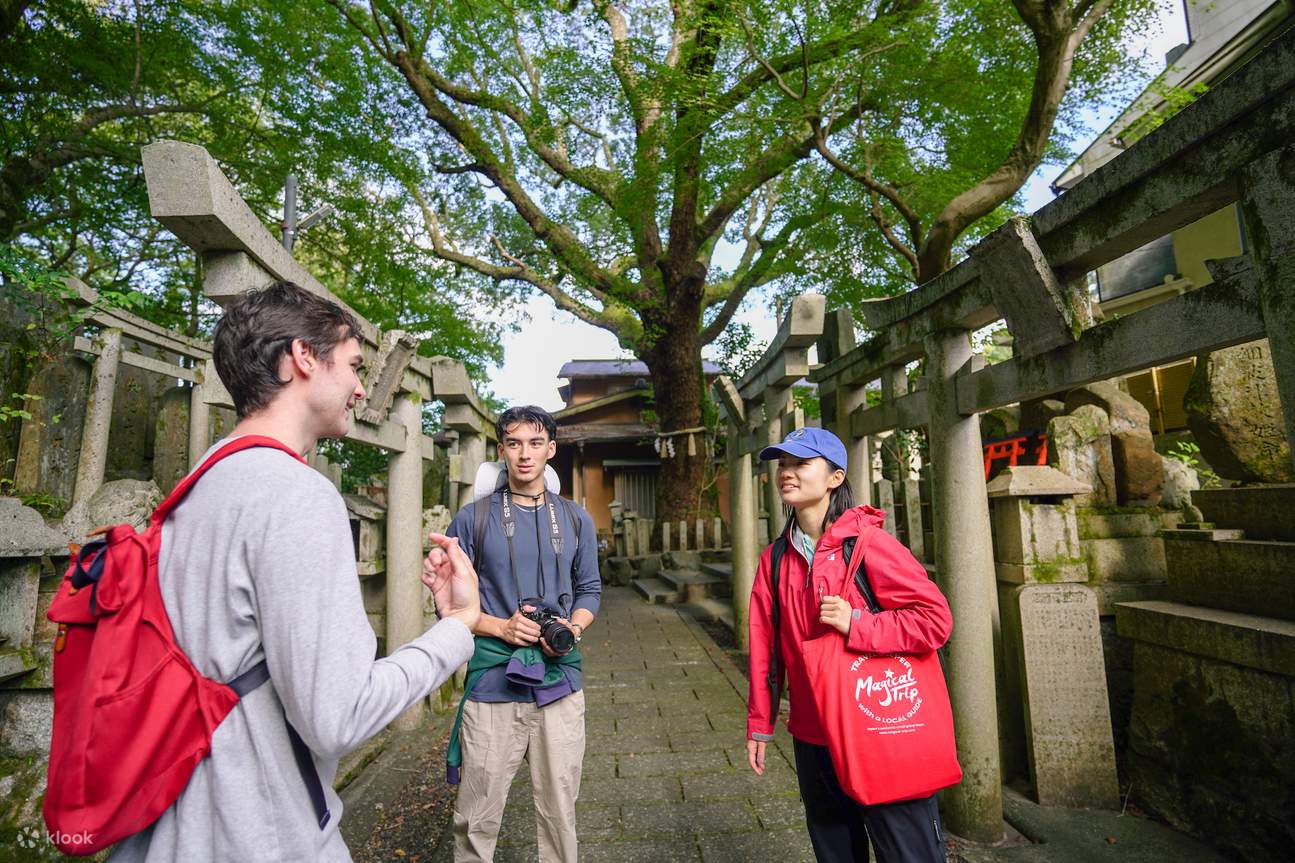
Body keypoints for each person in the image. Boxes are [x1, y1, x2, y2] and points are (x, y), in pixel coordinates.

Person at [110, 281, 481, 862]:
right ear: (303, 357)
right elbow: (338, 717)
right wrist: (457, 628)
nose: (362, 388)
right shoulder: (294, 494)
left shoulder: (199, 480)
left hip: (167, 820)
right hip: (257, 829)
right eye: (356, 365)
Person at [745, 427, 954, 863]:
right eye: (783, 463)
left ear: (835, 478)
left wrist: (857, 623)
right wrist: (761, 723)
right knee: (836, 851)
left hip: (879, 727)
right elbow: (765, 647)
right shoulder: (775, 559)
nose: (786, 472)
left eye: (801, 463)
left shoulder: (871, 545)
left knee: (907, 852)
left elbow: (934, 620)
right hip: (813, 732)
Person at [445, 405, 601, 863]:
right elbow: (451, 607)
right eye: (514, 444)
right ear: (502, 451)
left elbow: (590, 590)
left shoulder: (575, 519)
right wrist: (500, 626)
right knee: (476, 817)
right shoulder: (472, 520)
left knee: (560, 815)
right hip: (493, 683)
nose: (525, 454)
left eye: (535, 443)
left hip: (560, 684)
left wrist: (573, 627)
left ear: (551, 450)